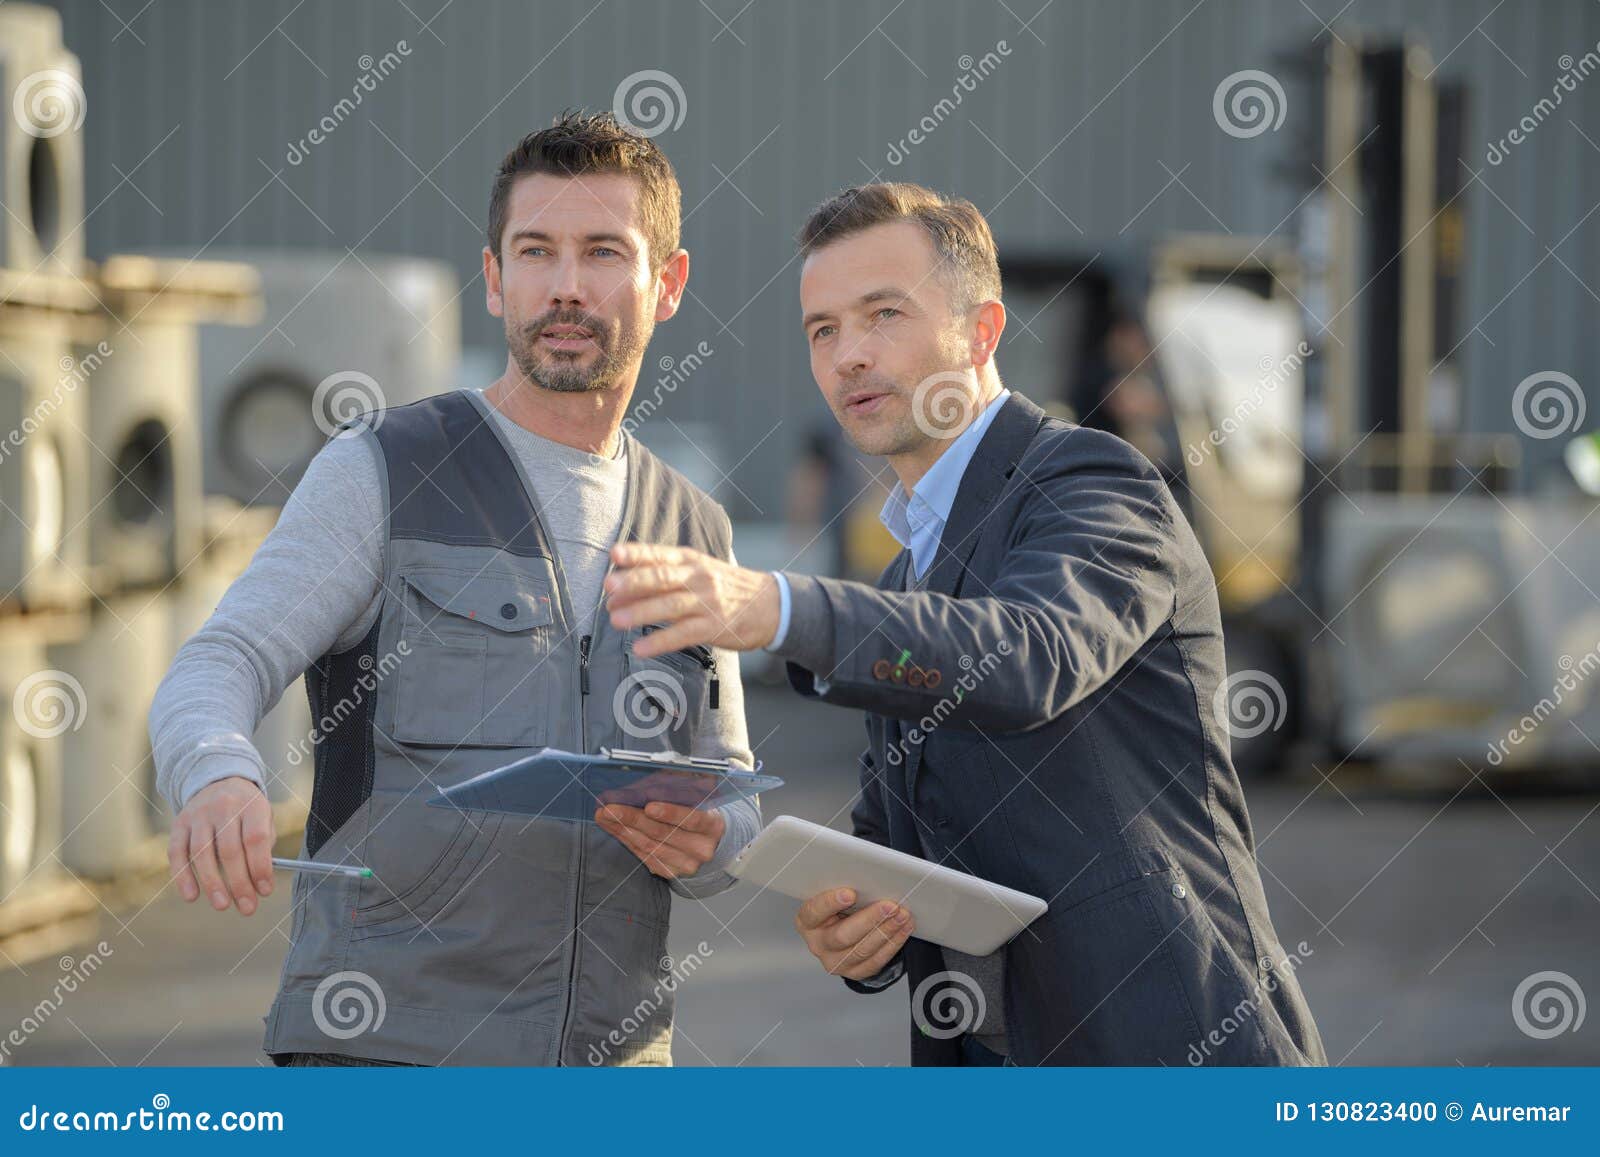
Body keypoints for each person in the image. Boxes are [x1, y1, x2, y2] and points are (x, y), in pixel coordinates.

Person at [603, 182, 1327, 1066]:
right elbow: (909, 841)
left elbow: (1029, 655)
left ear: (981, 332)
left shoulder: (1094, 485)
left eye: (884, 315)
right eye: (823, 330)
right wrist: (864, 931)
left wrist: (781, 607)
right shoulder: (908, 575)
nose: (848, 356)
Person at [149, 111, 759, 1067]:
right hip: (390, 1053)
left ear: (668, 283)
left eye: (603, 252)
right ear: (494, 277)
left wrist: (711, 836)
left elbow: (733, 784)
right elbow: (220, 659)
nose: (565, 286)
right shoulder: (384, 470)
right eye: (536, 251)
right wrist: (218, 770)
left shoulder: (696, 532)